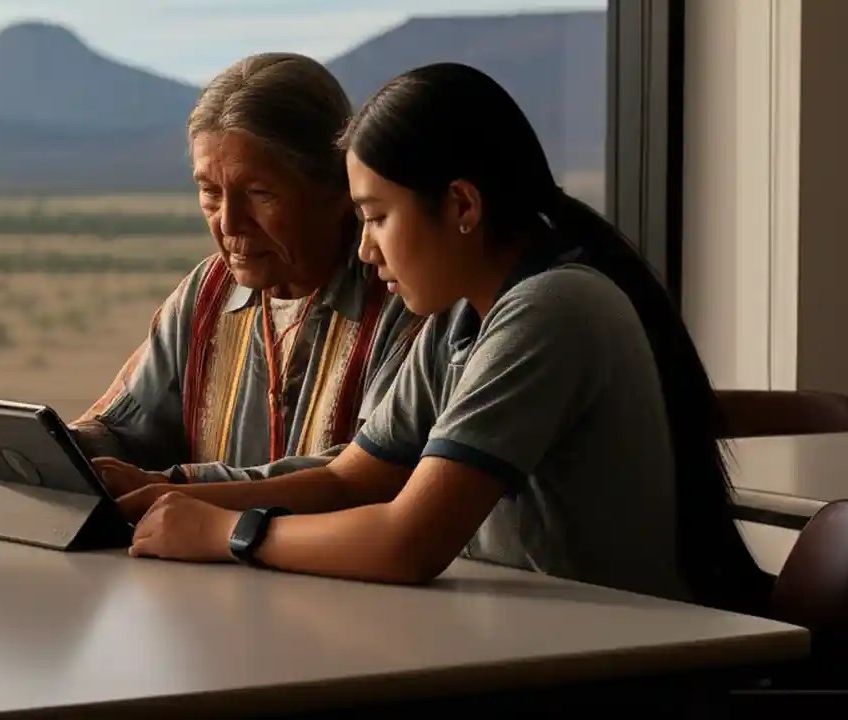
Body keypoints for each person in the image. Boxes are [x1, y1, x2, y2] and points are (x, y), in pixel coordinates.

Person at [115, 63, 774, 616]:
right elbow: (350, 479)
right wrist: (171, 495)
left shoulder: (552, 310)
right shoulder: (459, 322)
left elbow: (409, 542)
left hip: (621, 669)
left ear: (462, 206)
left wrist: (227, 532)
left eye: (376, 217)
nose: (365, 249)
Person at [70, 53, 422, 486]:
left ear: (336, 189)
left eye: (259, 193)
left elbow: (367, 474)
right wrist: (62, 449)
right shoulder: (205, 293)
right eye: (210, 192)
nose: (229, 223)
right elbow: (124, 428)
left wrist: (181, 489)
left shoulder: (402, 296)